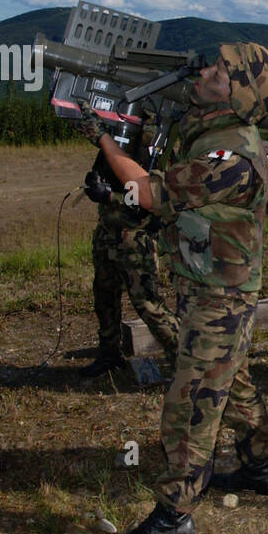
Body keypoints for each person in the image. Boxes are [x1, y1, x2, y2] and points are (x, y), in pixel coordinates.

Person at [74, 43, 268, 534]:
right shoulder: (209, 128)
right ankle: (260, 469)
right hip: (208, 285)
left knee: (190, 404)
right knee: (230, 386)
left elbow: (152, 193)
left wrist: (102, 136)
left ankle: (175, 515)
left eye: (219, 70)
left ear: (234, 91)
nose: (207, 70)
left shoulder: (231, 157)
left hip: (221, 297)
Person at [80, 152, 179, 377]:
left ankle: (185, 360)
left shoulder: (151, 144)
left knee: (147, 304)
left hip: (135, 239)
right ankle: (109, 354)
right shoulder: (113, 142)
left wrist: (109, 197)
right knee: (104, 296)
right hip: (106, 233)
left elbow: (154, 197)